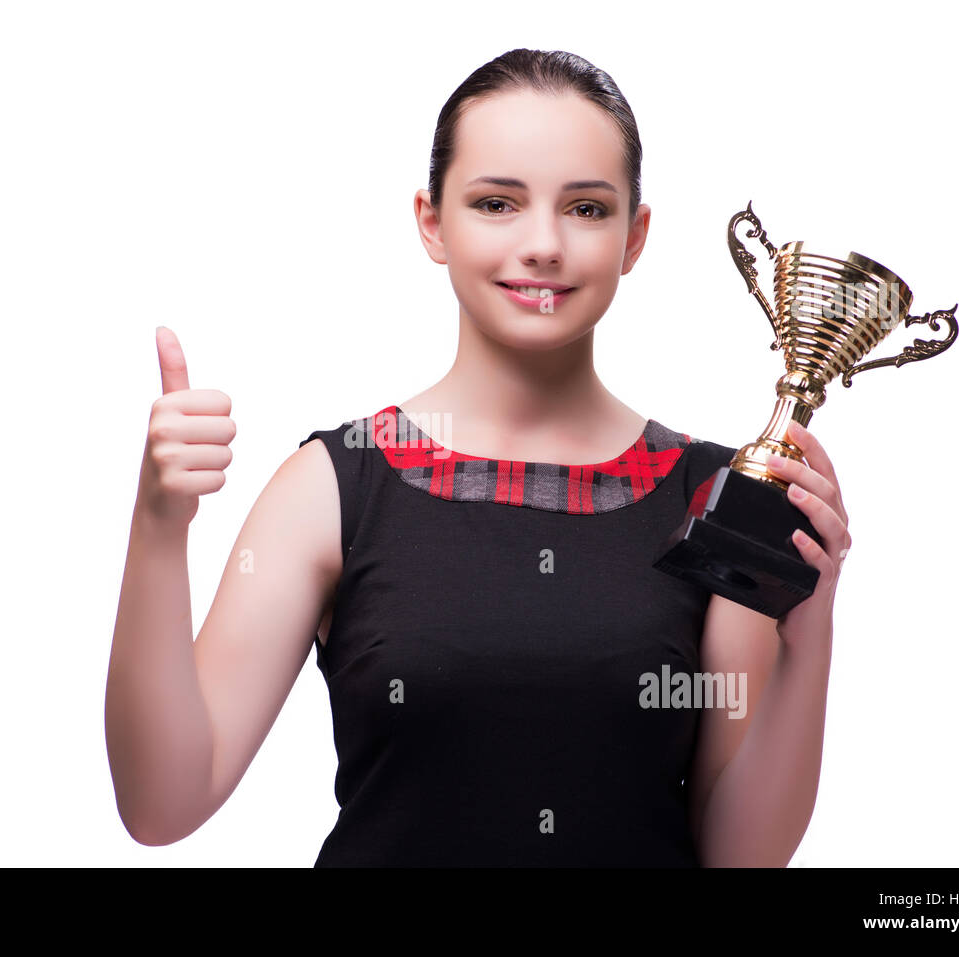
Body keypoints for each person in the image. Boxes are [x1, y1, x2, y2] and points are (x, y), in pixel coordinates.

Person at [104, 48, 852, 867]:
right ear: (432, 222)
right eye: (497, 202)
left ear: (636, 236)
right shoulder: (333, 486)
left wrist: (807, 628)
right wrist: (158, 525)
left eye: (587, 209)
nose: (543, 245)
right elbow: (162, 801)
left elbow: (740, 856)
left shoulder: (710, 496)